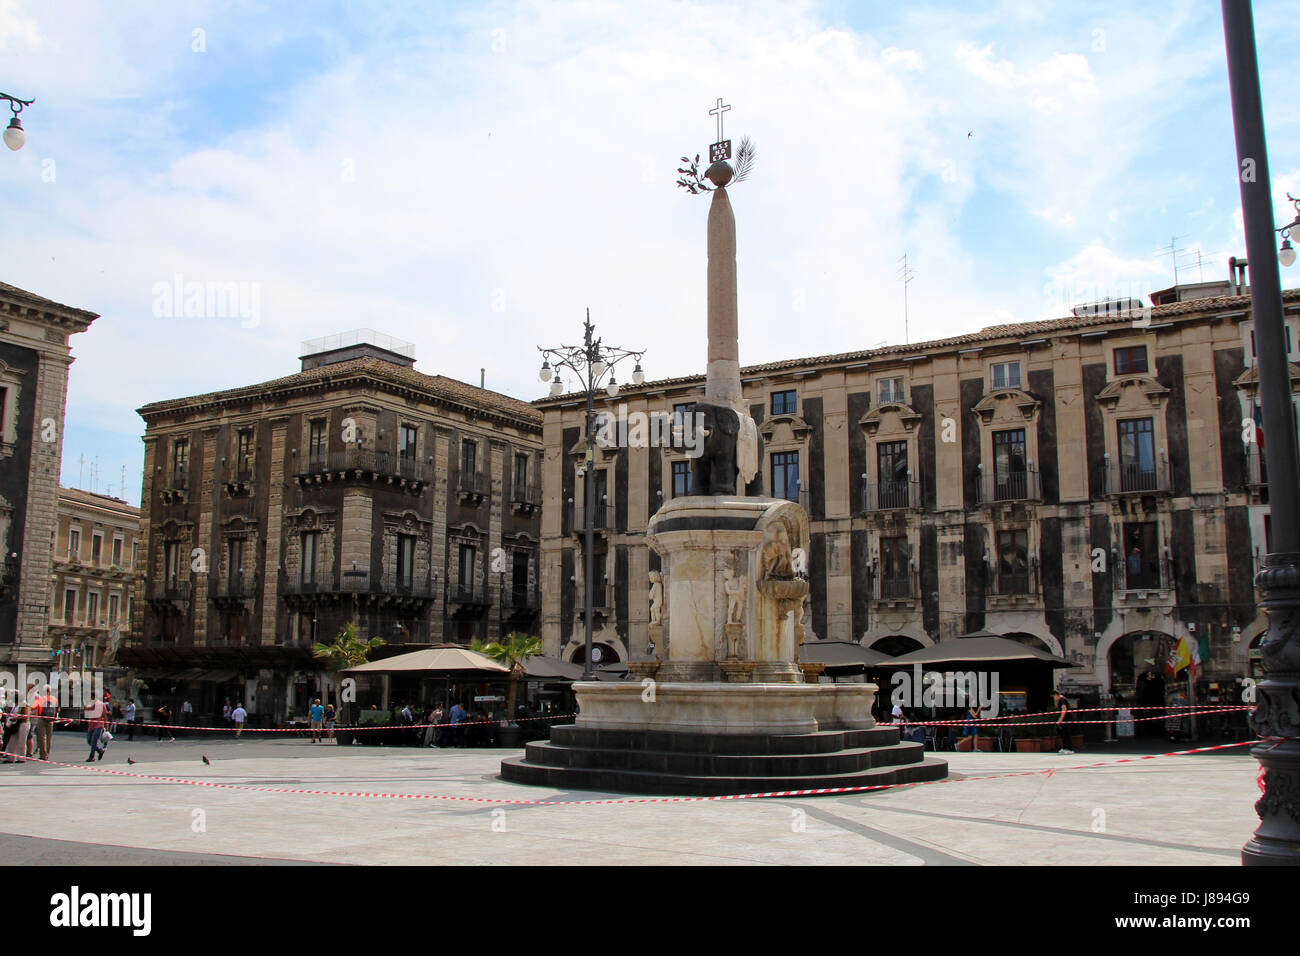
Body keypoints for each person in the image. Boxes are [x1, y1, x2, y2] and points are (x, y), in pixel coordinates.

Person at [84, 693, 107, 762]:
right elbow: (85, 712)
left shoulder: (101, 704)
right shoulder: (89, 704)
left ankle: (91, 757)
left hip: (99, 725)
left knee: (94, 741)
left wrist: (106, 726)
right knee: (89, 741)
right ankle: (100, 750)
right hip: (91, 725)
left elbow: (104, 715)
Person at [1053, 690, 1076, 755]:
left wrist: (1060, 720)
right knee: (1063, 734)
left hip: (1066, 720)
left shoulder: (1062, 700)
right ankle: (1065, 748)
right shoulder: (1061, 700)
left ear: (1056, 695)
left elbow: (1064, 709)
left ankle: (1070, 749)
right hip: (1064, 720)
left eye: (1054, 696)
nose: (1054, 698)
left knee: (1066, 734)